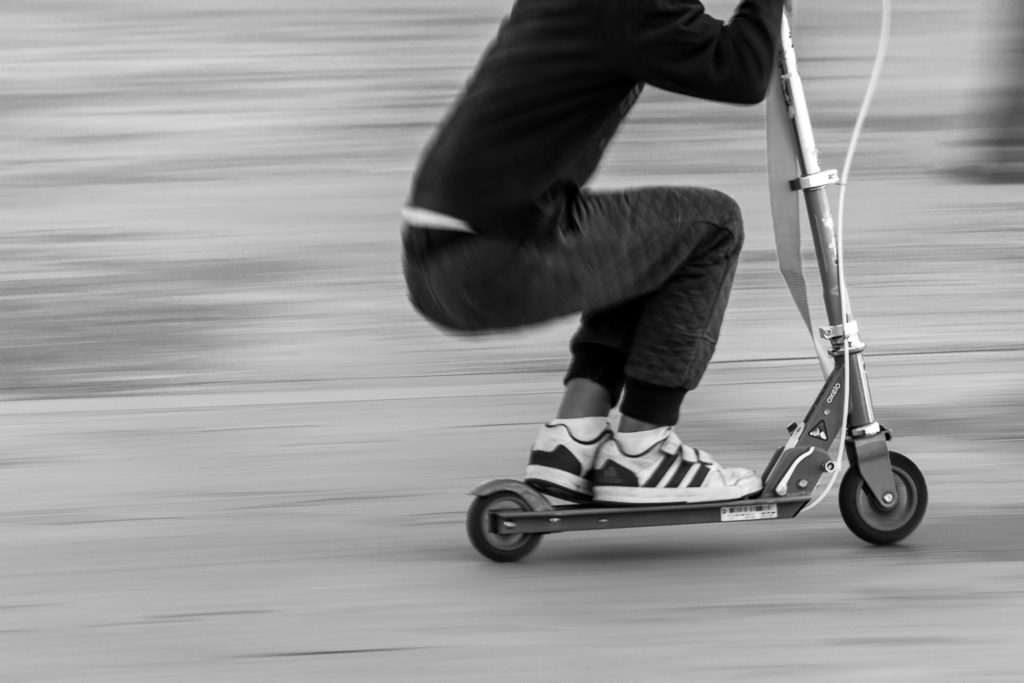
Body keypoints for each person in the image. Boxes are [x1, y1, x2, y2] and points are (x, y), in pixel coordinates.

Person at [402, 0, 786, 504]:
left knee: (656, 238)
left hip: (442, 257)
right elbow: (740, 71)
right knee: (714, 226)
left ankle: (573, 439)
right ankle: (643, 453)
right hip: (493, 253)